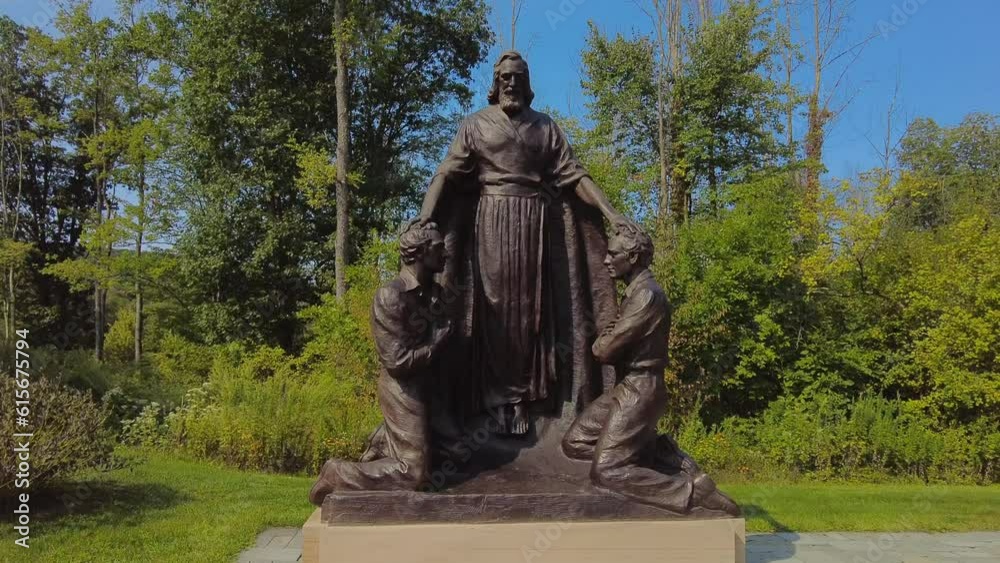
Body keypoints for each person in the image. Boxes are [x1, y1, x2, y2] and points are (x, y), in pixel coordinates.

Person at [417, 51, 631, 435]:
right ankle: (496, 402)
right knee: (495, 310)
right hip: (492, 221)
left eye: (518, 77)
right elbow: (446, 174)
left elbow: (575, 176)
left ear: (527, 84)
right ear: (495, 84)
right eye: (504, 78)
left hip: (536, 223)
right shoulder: (475, 125)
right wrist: (426, 216)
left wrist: (612, 214)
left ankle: (529, 401)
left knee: (532, 312)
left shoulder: (545, 127)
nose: (511, 84)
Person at [561, 225, 739, 517]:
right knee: (576, 441)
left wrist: (603, 341)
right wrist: (606, 339)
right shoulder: (634, 293)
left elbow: (604, 350)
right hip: (626, 386)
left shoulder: (646, 296)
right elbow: (609, 343)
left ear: (632, 257)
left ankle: (692, 492)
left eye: (612, 254)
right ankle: (662, 454)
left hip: (641, 390)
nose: (606, 260)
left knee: (607, 470)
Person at [309, 222, 450, 504]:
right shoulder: (391, 295)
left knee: (459, 453)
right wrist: (437, 344)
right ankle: (336, 473)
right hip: (402, 389)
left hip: (430, 388)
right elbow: (397, 362)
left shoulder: (435, 294)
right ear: (420, 252)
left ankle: (384, 440)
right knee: (414, 473)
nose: (445, 254)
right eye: (438, 248)